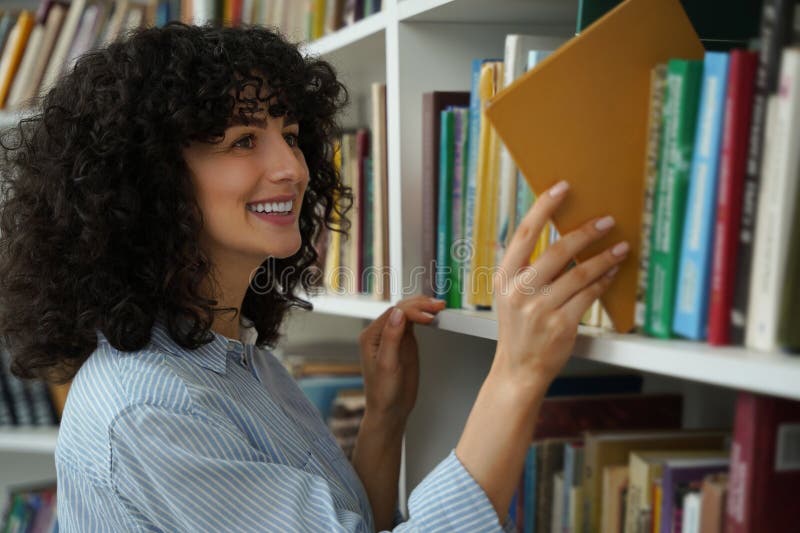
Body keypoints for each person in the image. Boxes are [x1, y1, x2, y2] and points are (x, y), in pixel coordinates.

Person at [0, 22, 629, 532]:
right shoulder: (146, 412)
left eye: (292, 135)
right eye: (244, 140)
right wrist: (517, 376)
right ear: (147, 182)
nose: (293, 168)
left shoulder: (242, 366)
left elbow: (351, 525)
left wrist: (383, 417)